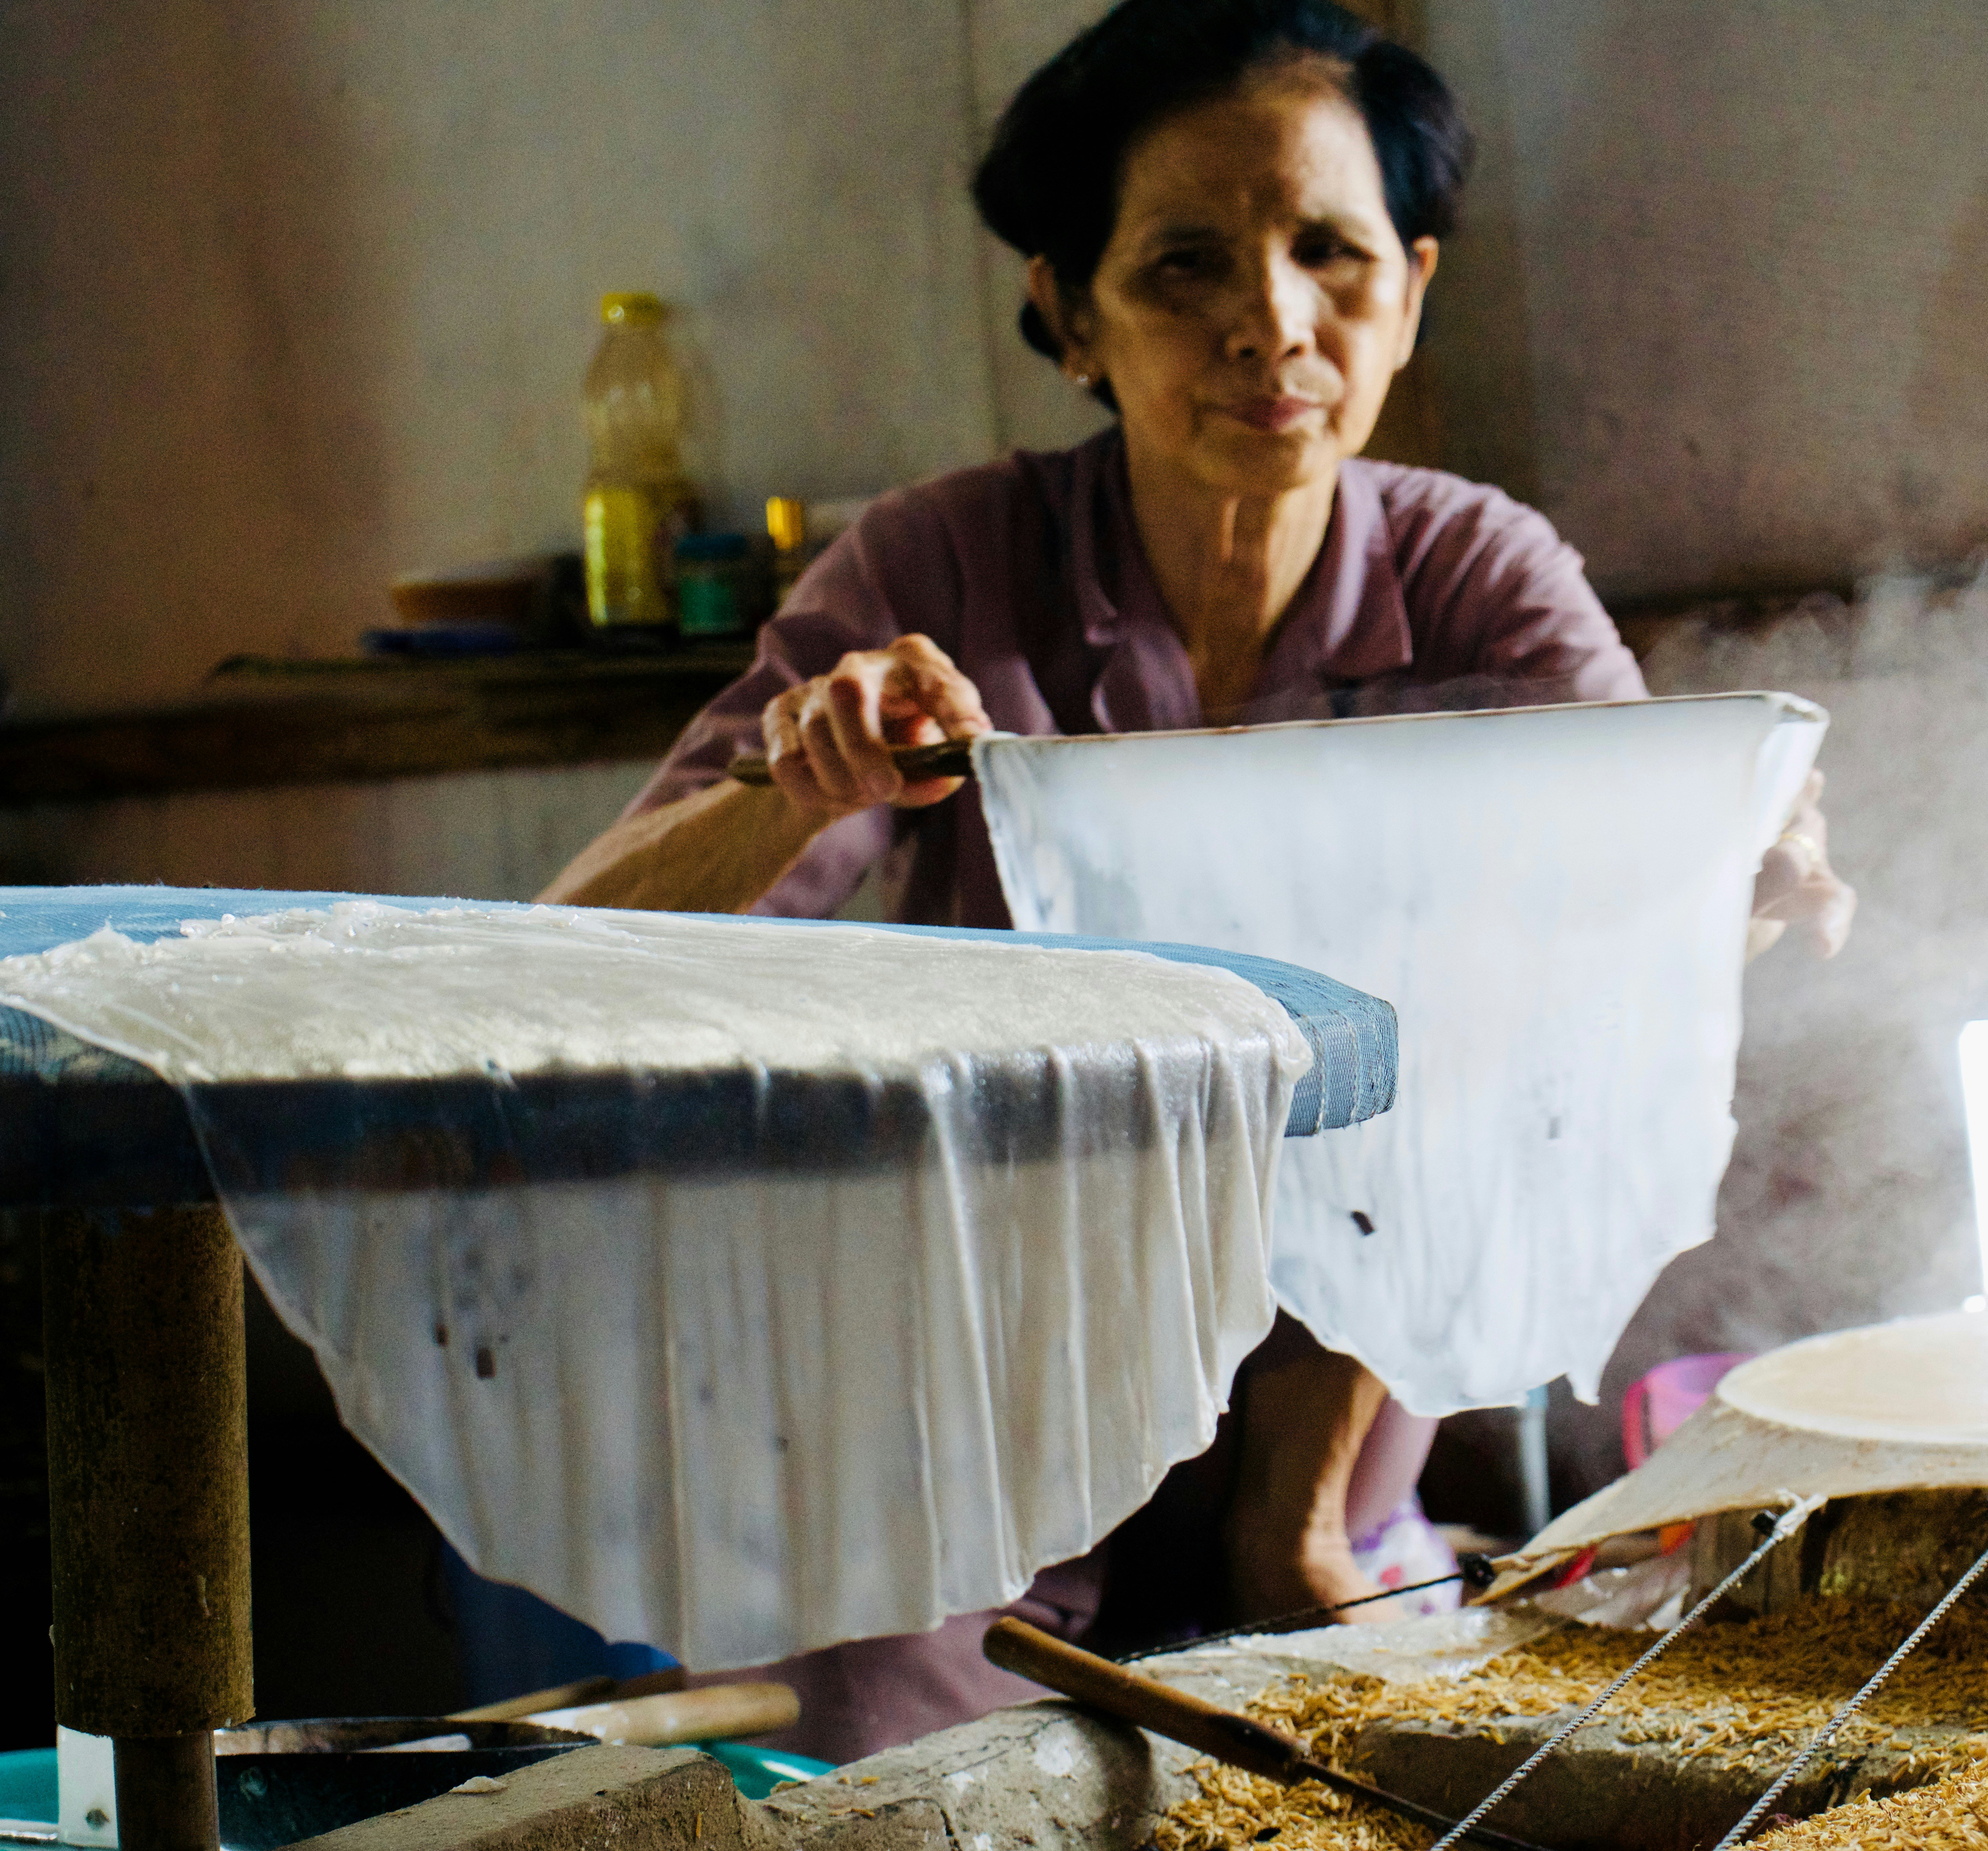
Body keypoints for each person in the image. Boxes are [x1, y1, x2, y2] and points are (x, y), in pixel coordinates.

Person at [544, 0, 1854, 1761]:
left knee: (1359, 1781)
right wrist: (799, 779)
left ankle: (1302, 1529)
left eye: (1332, 252)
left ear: (1412, 287)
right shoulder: (945, 568)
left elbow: (1597, 987)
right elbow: (566, 959)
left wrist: (1724, 879)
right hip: (978, 1432)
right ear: (1066, 317)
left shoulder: (1478, 580)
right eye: (1182, 270)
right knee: (902, 1797)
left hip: (1340, 1425)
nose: (1273, 326)